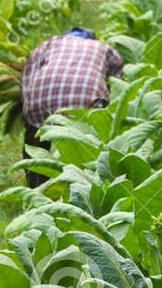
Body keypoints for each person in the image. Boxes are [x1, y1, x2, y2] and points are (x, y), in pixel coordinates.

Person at [20, 28, 124, 188]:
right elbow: (117, 88)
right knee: (86, 145)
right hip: (85, 102)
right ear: (91, 39)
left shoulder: (48, 44)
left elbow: (27, 78)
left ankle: (35, 189)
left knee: (34, 142)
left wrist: (26, 109)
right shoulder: (104, 48)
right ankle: (85, 187)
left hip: (41, 98)